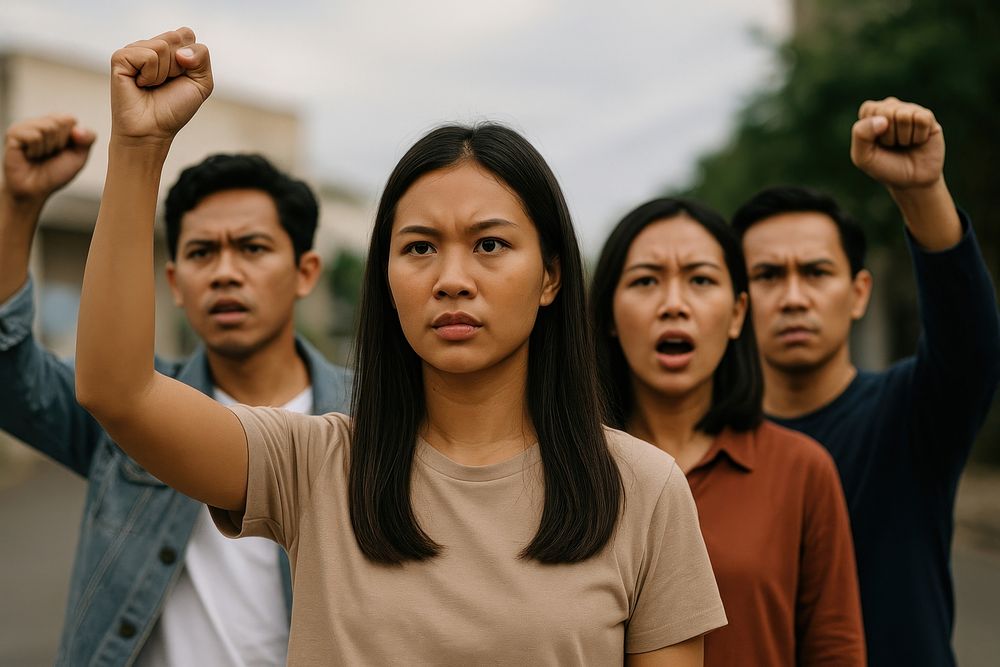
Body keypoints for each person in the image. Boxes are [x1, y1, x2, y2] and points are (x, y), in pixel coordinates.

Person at [75, 28, 728, 665]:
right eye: (419, 247)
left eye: (490, 244)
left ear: (551, 275)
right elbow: (119, 392)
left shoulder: (642, 488)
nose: (451, 279)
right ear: (385, 279)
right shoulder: (314, 465)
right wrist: (138, 148)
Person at [0, 112, 351, 664]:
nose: (224, 272)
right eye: (201, 252)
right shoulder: (125, 413)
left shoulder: (371, 417)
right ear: (175, 282)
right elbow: (8, 375)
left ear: (305, 272)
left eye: (253, 248)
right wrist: (17, 206)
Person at [732, 97, 1000, 667]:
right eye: (768, 275)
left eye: (816, 272)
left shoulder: (911, 414)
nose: (794, 297)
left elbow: (971, 339)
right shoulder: (708, 447)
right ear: (738, 303)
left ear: (858, 294)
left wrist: (921, 189)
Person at [590, 197, 865, 665]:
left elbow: (835, 650)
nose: (674, 305)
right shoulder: (567, 466)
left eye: (700, 280)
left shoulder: (801, 469)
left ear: (738, 313)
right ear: (610, 315)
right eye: (645, 281)